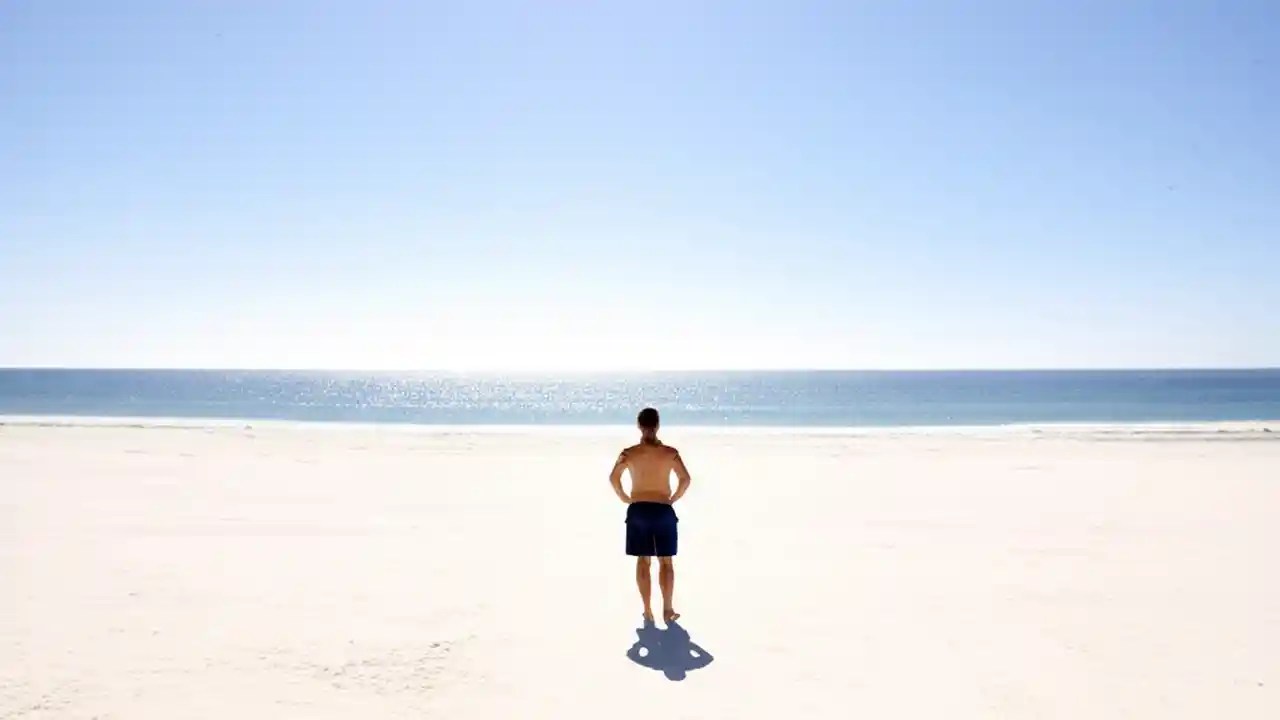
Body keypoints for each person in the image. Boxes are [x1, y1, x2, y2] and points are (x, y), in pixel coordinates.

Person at [609, 407, 692, 624]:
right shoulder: (669, 453)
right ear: (657, 425)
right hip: (662, 509)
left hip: (639, 509)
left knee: (643, 561)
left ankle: (647, 610)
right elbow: (685, 479)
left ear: (639, 425)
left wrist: (625, 497)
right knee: (666, 562)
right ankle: (668, 609)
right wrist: (673, 498)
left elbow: (613, 478)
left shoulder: (629, 453)